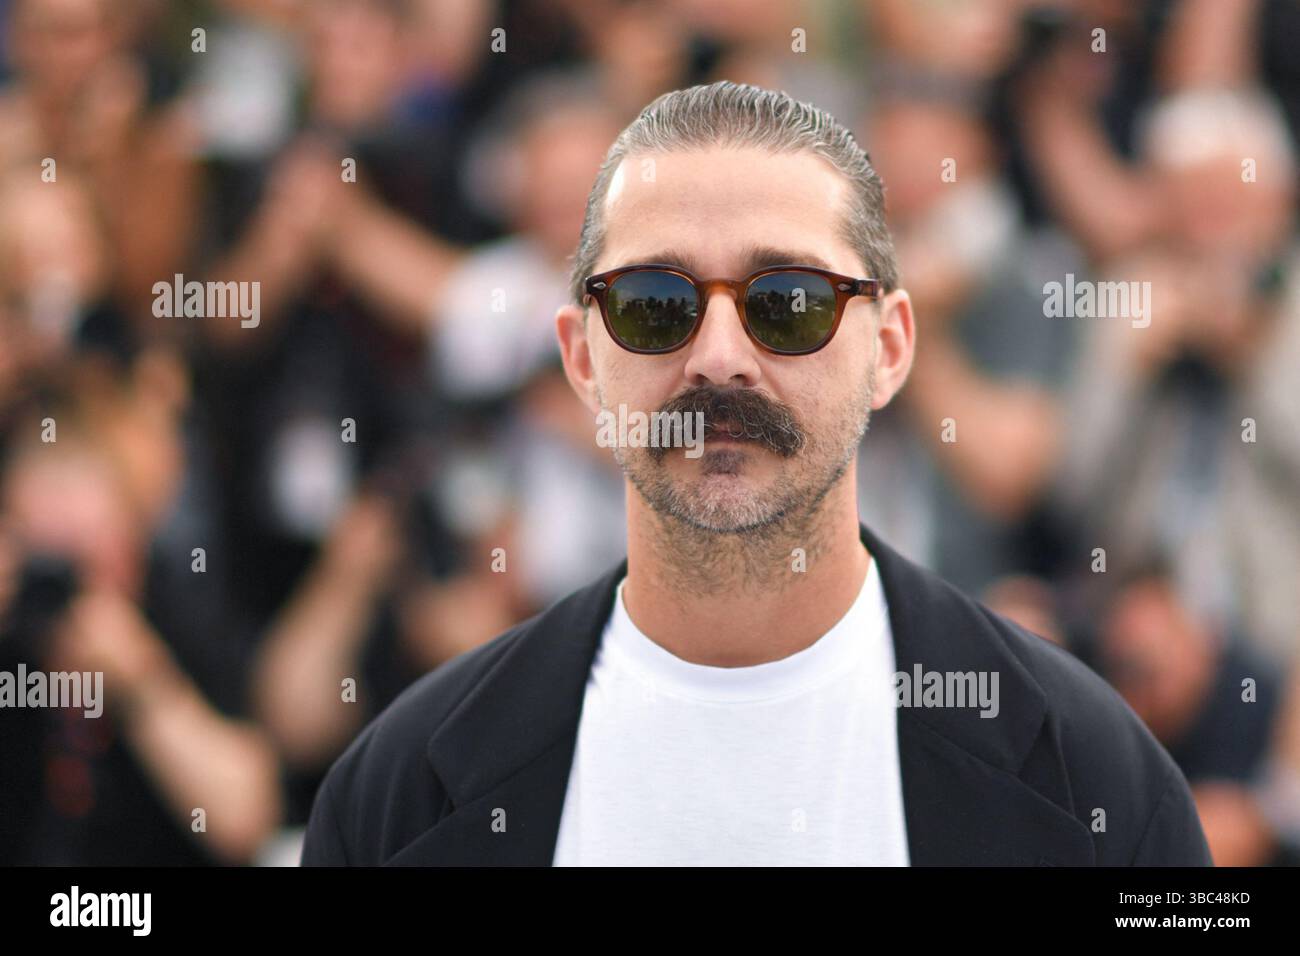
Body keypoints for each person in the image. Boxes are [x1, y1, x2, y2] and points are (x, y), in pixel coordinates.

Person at [301, 80, 1211, 866]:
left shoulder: (1090, 779)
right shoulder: (403, 797)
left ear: (889, 351)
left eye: (790, 302)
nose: (721, 357)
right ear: (581, 360)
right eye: (657, 305)